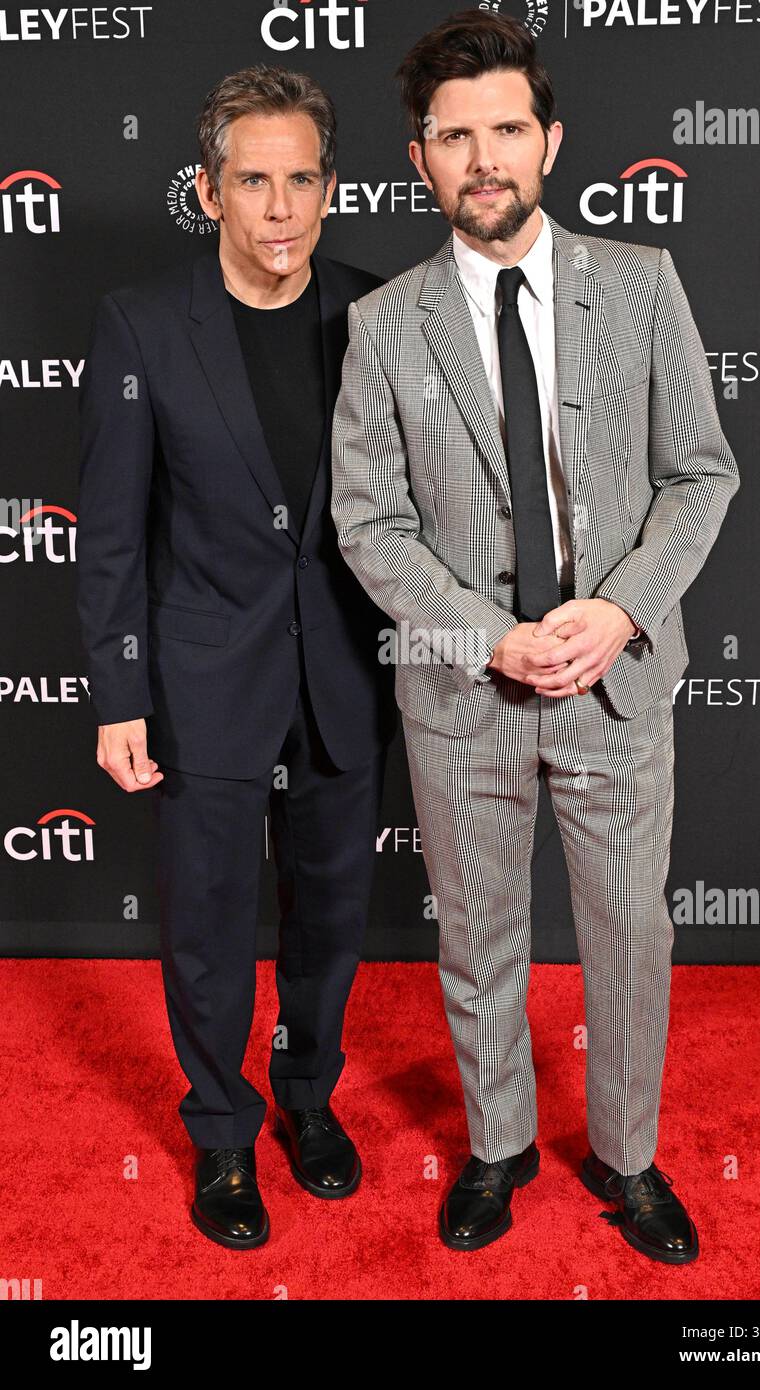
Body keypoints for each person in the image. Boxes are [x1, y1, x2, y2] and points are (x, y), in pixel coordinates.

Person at [331, 11, 739, 1261]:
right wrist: (487, 638)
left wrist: (617, 611)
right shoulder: (384, 325)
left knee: (630, 934)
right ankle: (498, 1147)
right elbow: (370, 519)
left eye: (506, 129)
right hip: (465, 698)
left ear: (549, 142)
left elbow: (700, 474)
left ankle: (629, 1159)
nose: (484, 158)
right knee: (479, 939)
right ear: (421, 162)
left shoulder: (642, 279)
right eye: (456, 138)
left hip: (618, 684)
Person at [76, 64, 396, 1251]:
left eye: (300, 179)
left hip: (347, 671)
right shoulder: (142, 322)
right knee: (210, 919)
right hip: (204, 670)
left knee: (333, 914)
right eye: (251, 180)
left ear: (328, 188)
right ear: (209, 190)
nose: (278, 207)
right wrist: (119, 693)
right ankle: (220, 1131)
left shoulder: (383, 312)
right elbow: (109, 526)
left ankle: (308, 1100)